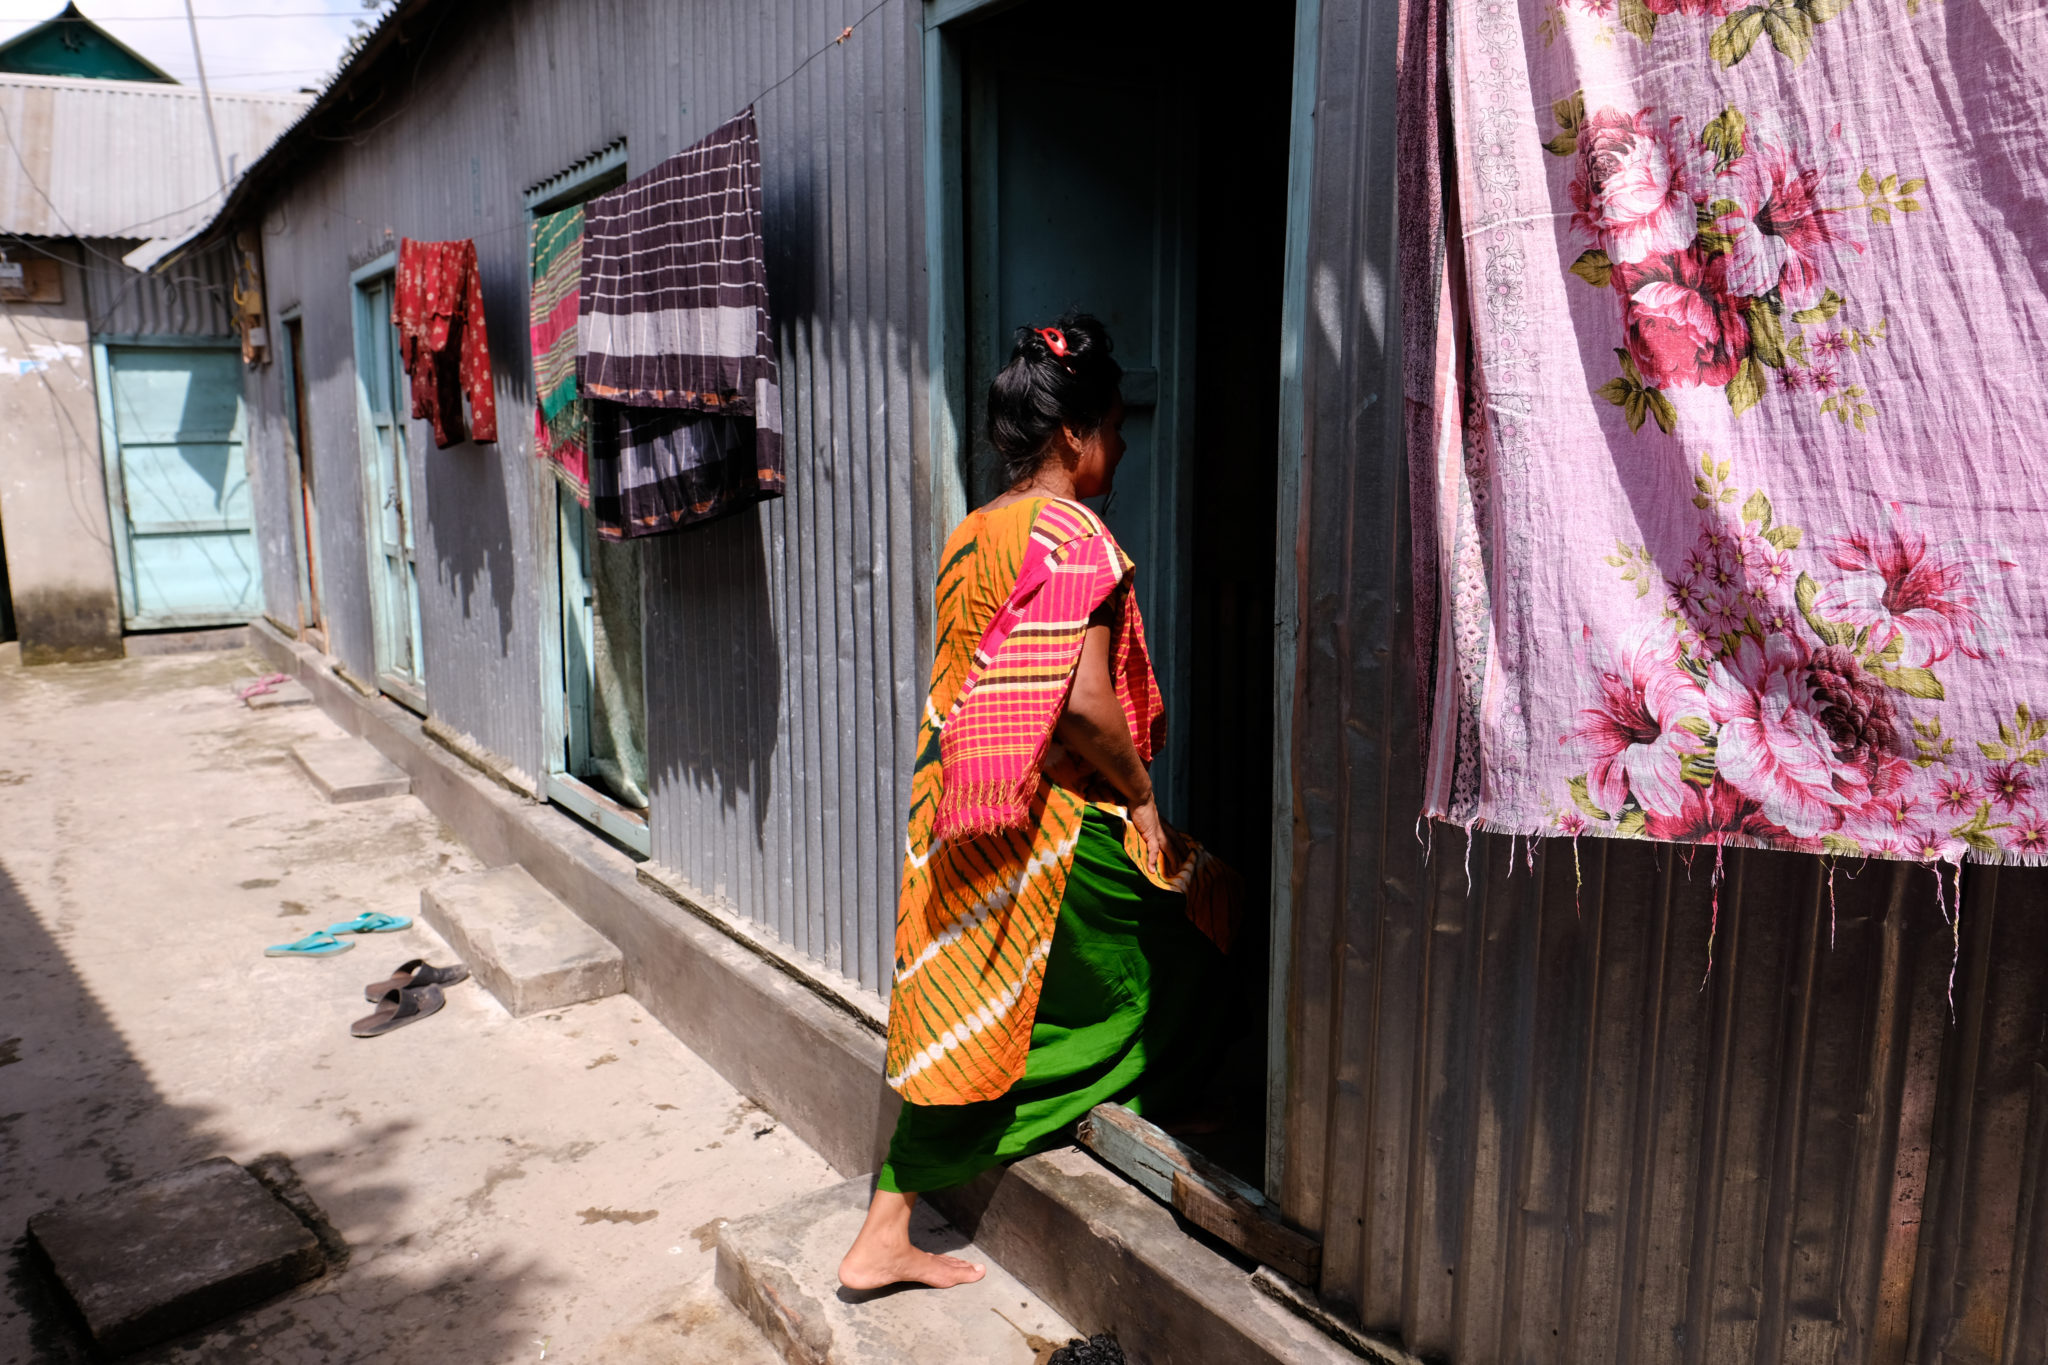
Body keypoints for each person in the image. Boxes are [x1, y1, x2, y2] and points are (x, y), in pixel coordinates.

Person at [837, 311, 1239, 1292]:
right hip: (1051, 822)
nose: (1124, 442)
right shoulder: (1074, 538)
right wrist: (1140, 798)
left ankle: (892, 1221)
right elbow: (1086, 703)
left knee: (974, 1007)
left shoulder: (973, 534)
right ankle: (1169, 1100)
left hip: (960, 814)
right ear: (1072, 434)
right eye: (1113, 423)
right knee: (1201, 918)